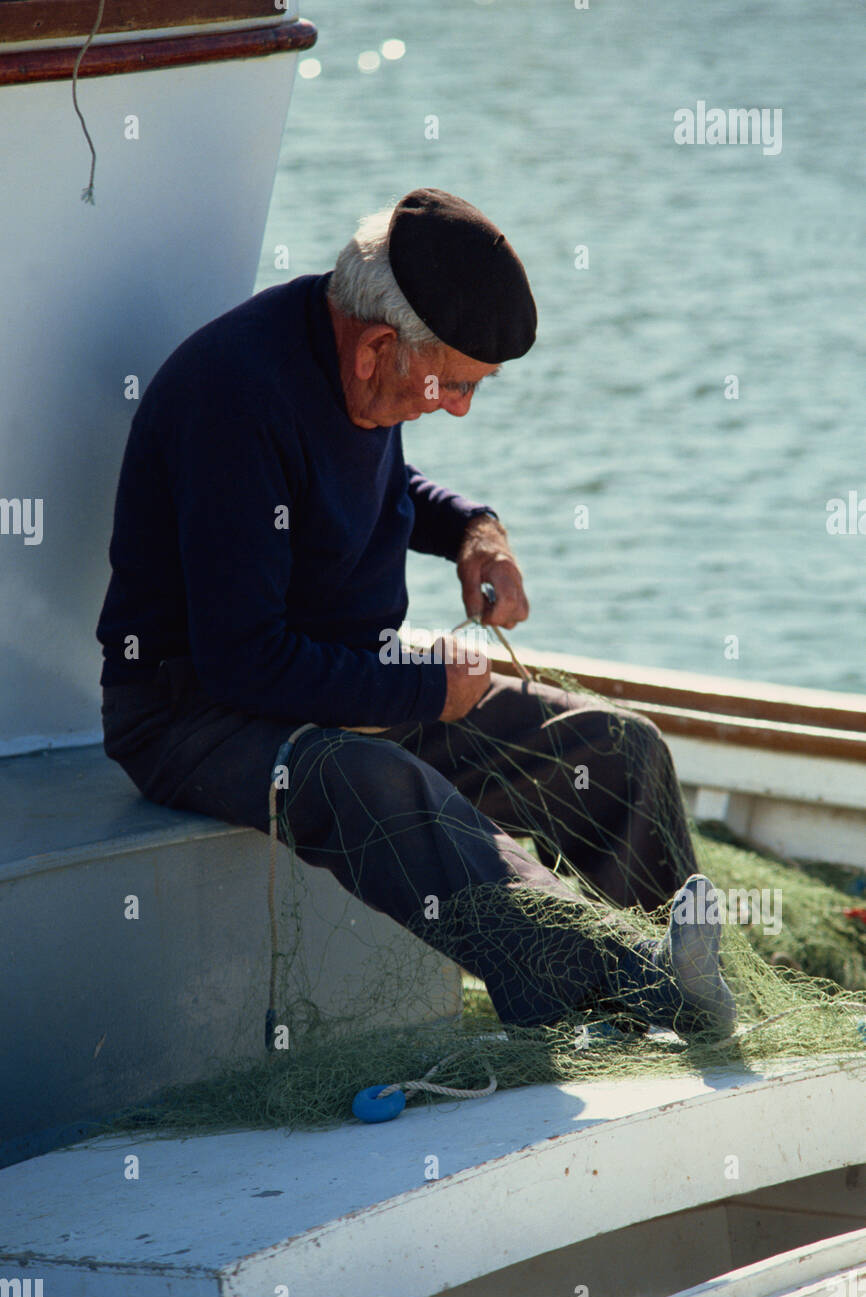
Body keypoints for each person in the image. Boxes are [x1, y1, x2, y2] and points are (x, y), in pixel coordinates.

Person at [96, 187, 735, 1037]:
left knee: (617, 748)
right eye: (456, 385)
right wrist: (425, 693)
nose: (461, 407)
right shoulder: (237, 399)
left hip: (342, 671)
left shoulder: (361, 363)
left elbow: (385, 485)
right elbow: (244, 662)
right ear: (378, 348)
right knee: (385, 784)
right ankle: (641, 988)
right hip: (191, 714)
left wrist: (472, 529)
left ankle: (655, 986)